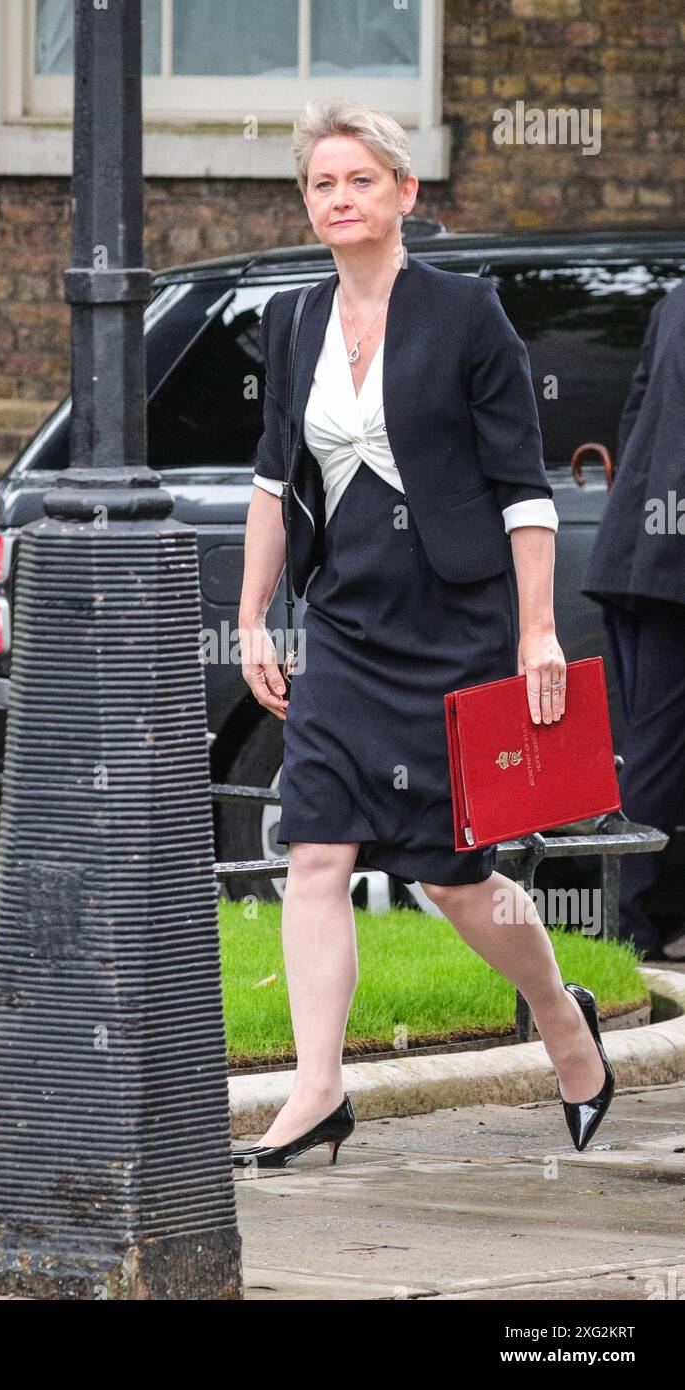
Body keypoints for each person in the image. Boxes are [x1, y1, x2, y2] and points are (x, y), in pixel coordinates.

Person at [233, 98, 614, 1169]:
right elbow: (274, 481)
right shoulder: (293, 320)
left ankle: (556, 1013)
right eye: (320, 182)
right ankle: (316, 1089)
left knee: (454, 877)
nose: (338, 198)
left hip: (452, 624)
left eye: (359, 179)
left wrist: (536, 633)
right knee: (313, 848)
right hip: (345, 618)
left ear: (403, 193)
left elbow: (523, 493)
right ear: (307, 202)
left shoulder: (465, 315)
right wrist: (252, 612)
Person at [582, 280, 685, 964]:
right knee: (659, 749)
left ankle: (637, 922)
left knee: (655, 742)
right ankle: (632, 926)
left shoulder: (674, 298)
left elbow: (637, 415)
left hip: (641, 556)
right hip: (663, 561)